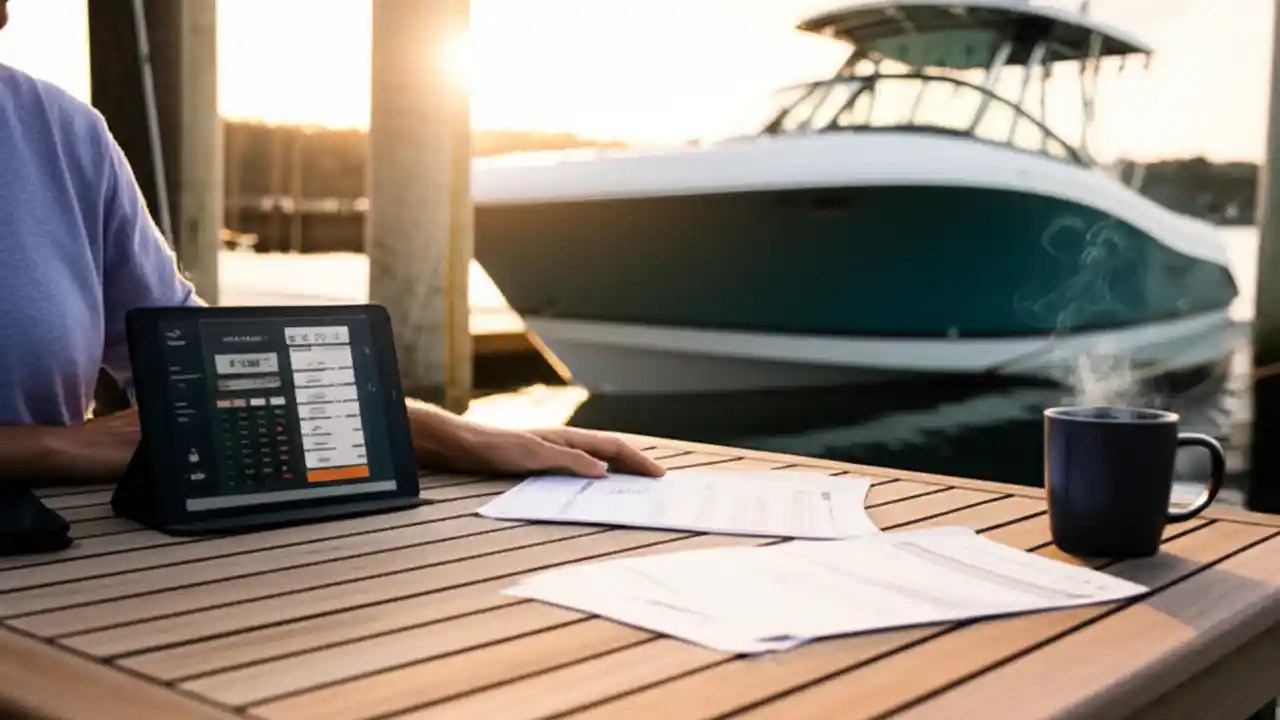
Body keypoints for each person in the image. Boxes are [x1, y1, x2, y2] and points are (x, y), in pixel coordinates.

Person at [0, 0, 663, 487]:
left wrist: (455, 434)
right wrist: (62, 448)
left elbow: (198, 374)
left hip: (65, 562)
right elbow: (90, 445)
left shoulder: (62, 136)